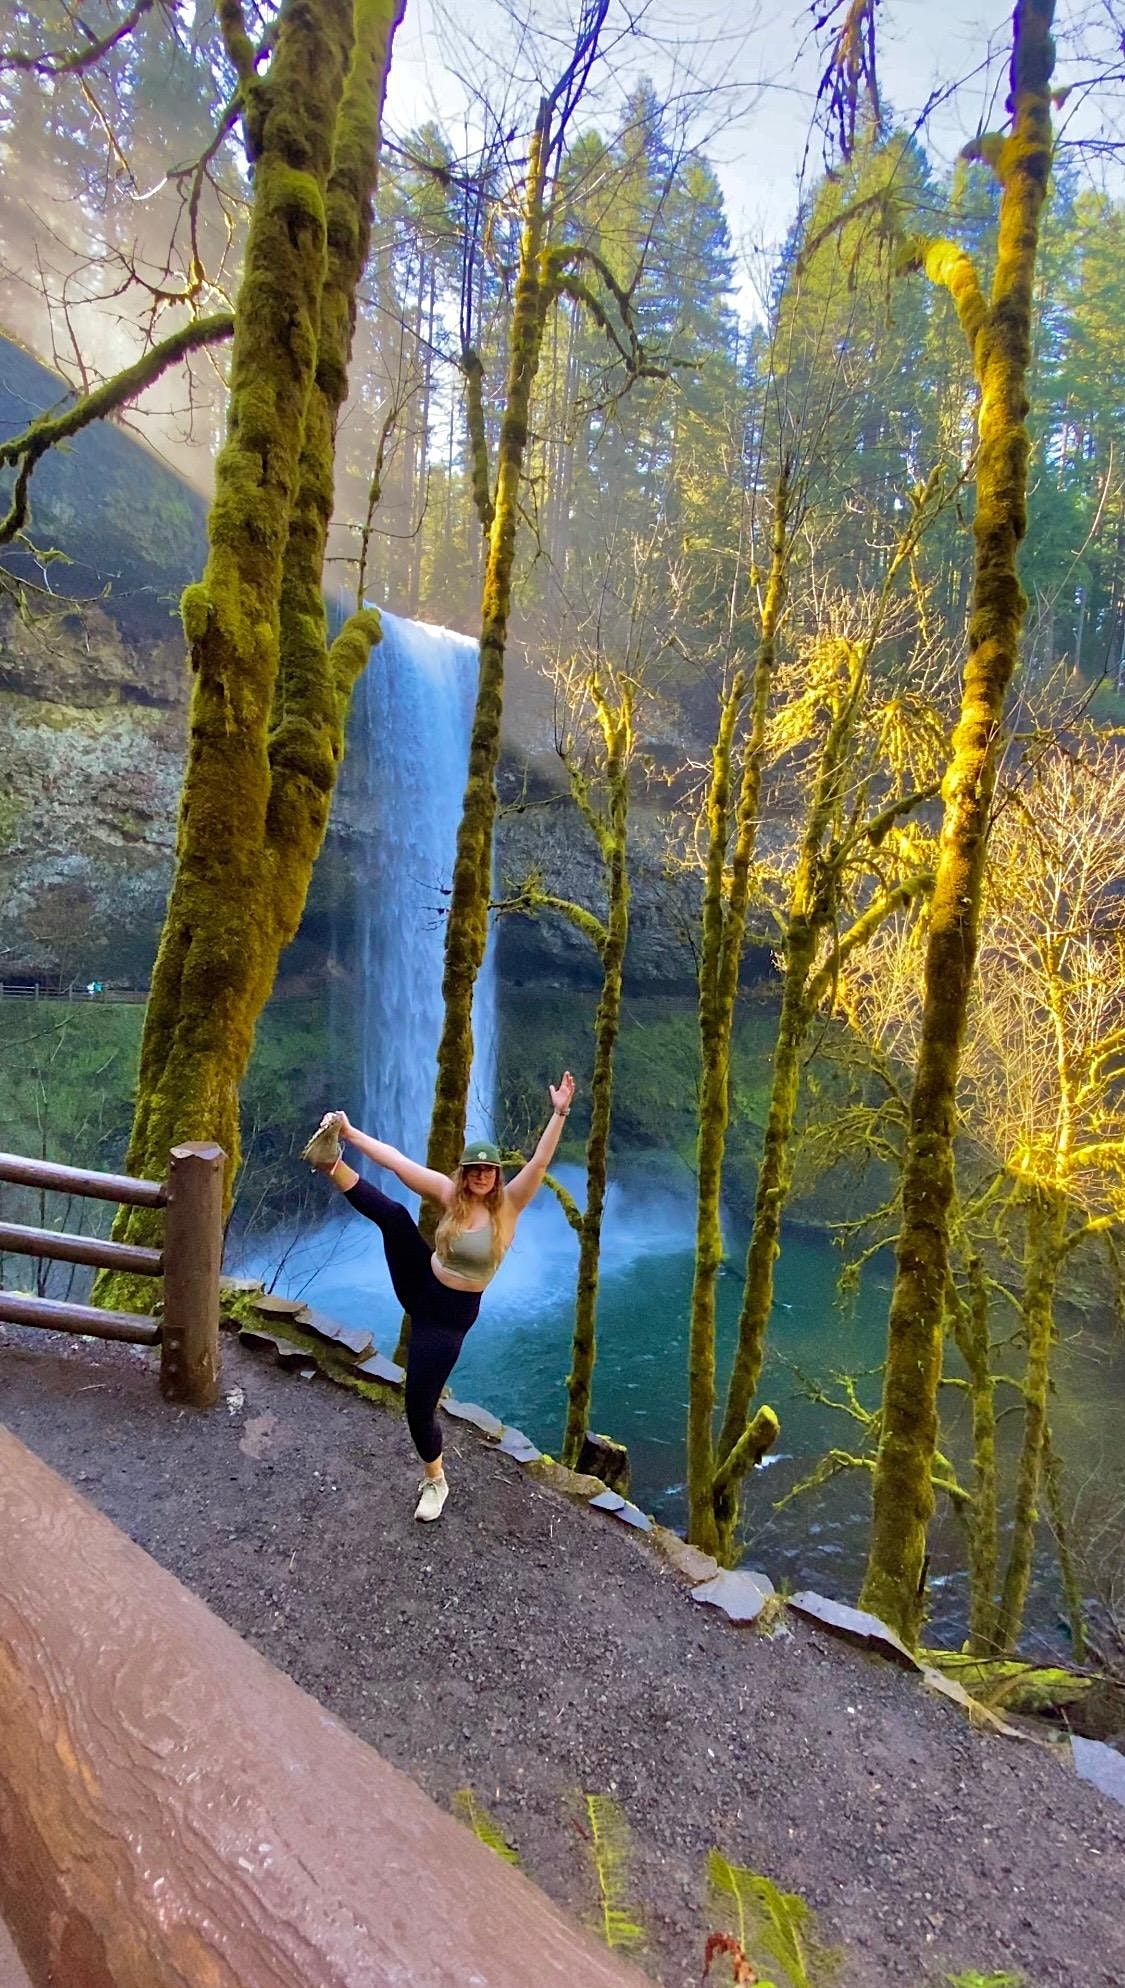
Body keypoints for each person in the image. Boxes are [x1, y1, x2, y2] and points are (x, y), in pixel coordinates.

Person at [301, 1070, 576, 1522]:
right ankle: (330, 1162)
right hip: (421, 1282)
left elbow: (540, 1163)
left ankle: (436, 1479)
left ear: (497, 1175)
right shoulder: (451, 1195)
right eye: (475, 1169)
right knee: (394, 1216)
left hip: (447, 1318)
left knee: (418, 1405)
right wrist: (349, 1133)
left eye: (489, 1170)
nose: (482, 1175)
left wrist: (560, 1113)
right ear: (465, 1174)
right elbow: (396, 1162)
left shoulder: (509, 1207)